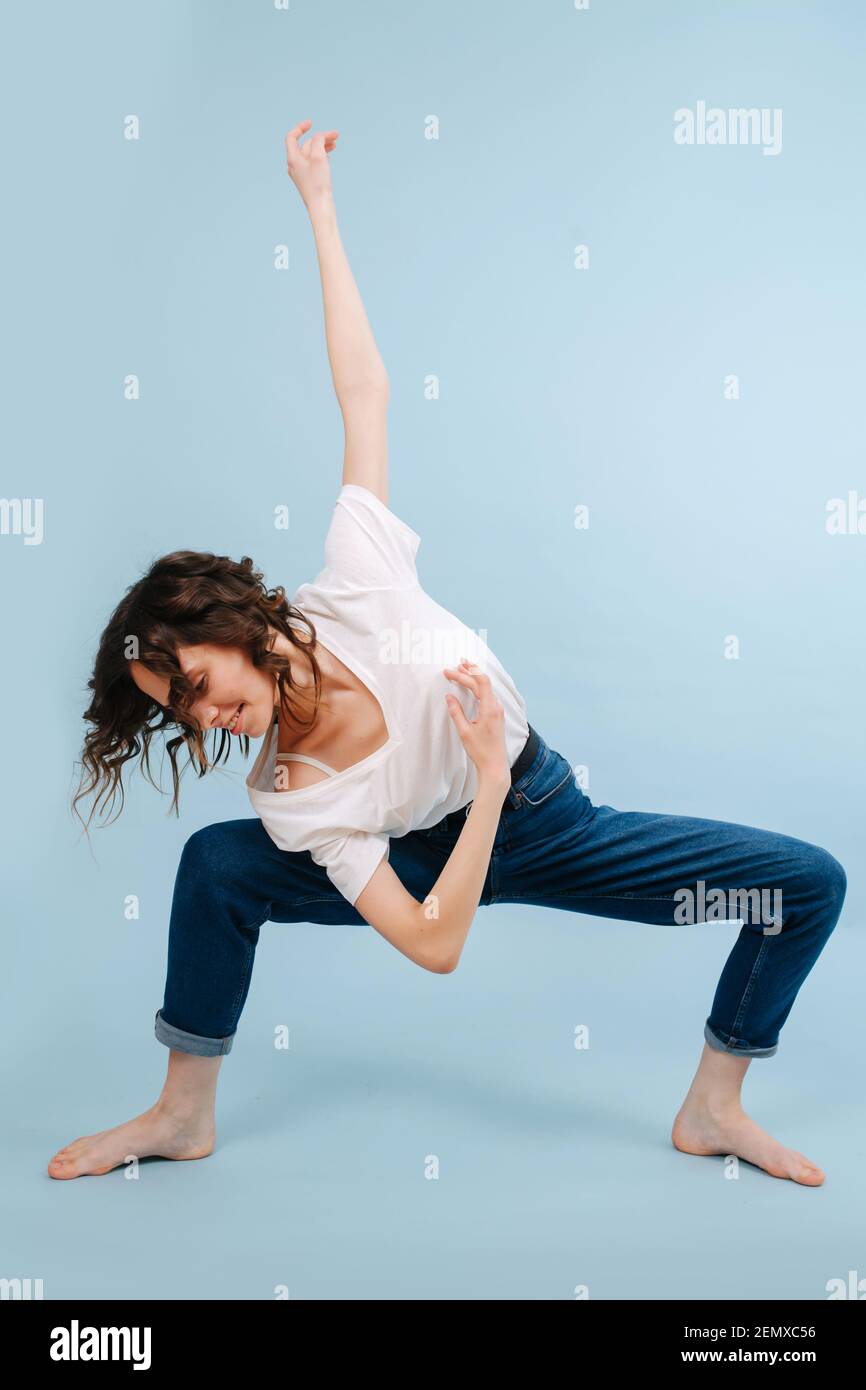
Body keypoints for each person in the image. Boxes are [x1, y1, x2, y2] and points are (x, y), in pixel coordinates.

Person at [50, 122, 846, 1186]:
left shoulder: (357, 573)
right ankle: (179, 1114)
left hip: (547, 821)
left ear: (229, 624)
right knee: (217, 866)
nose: (202, 717)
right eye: (179, 714)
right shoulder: (295, 794)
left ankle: (712, 1106)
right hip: (429, 850)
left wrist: (319, 209)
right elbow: (434, 943)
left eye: (195, 685)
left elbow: (362, 390)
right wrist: (473, 788)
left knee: (804, 884)